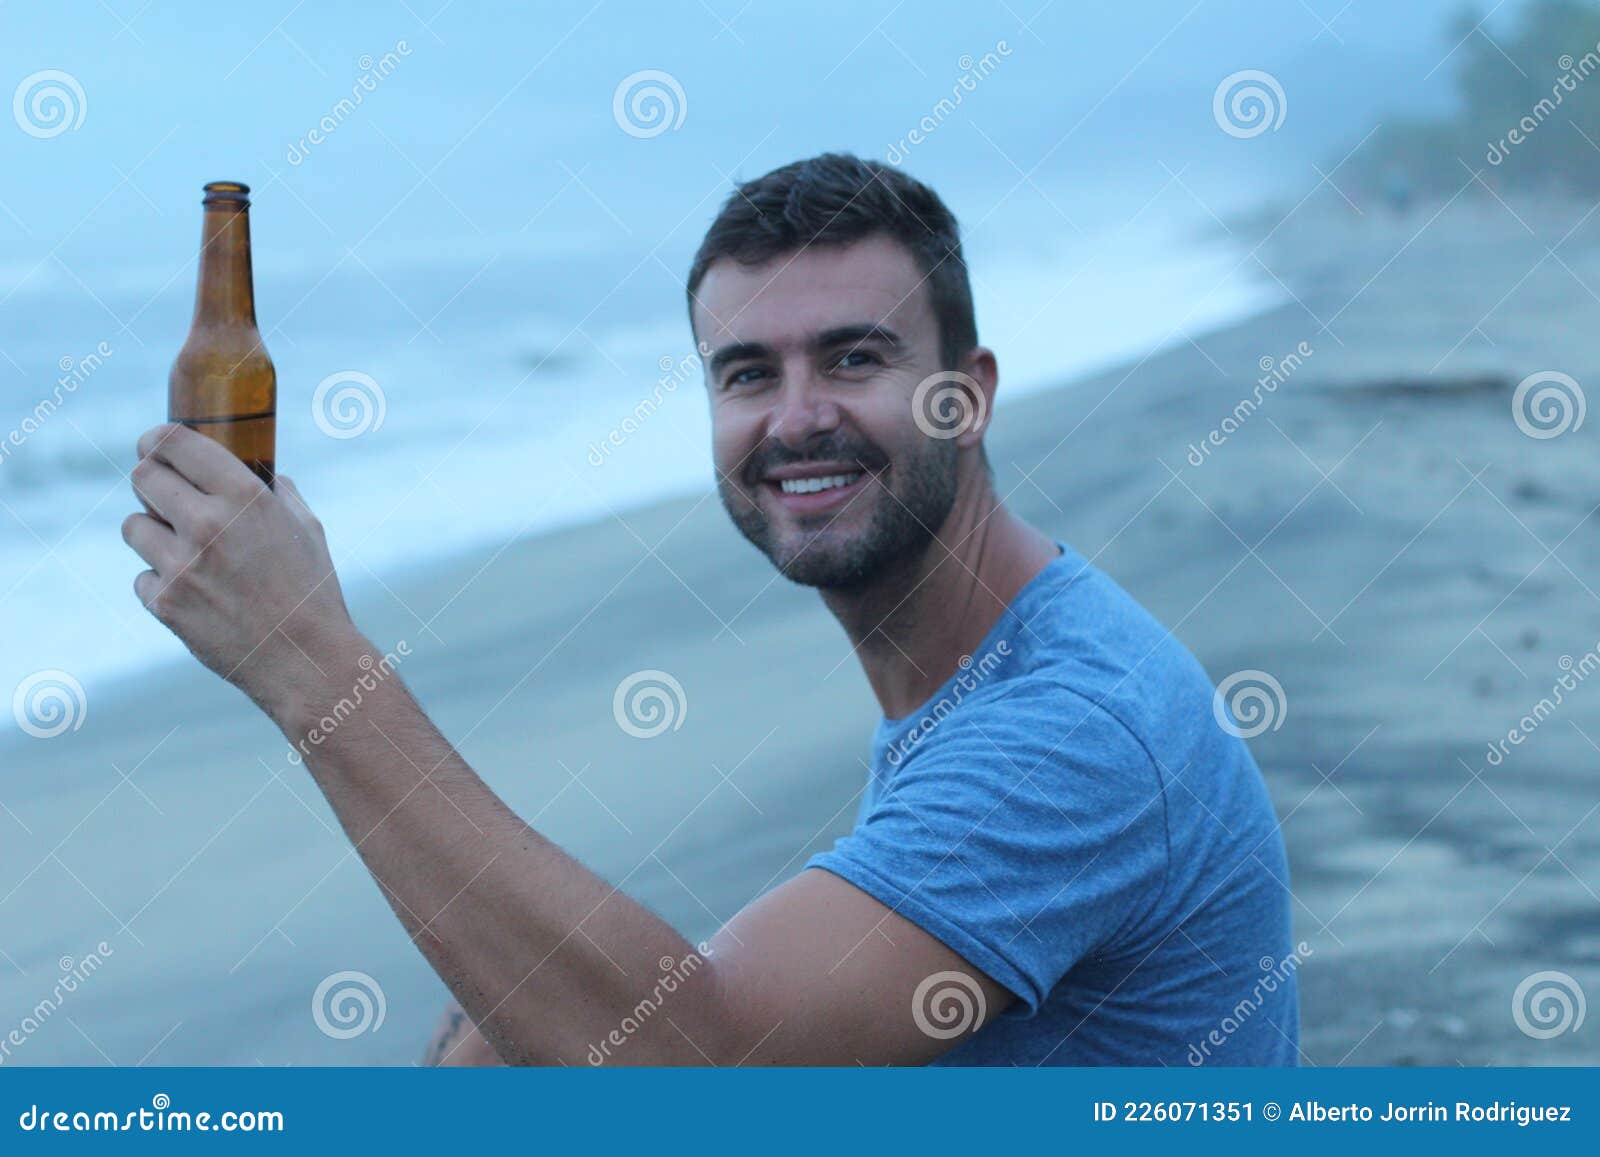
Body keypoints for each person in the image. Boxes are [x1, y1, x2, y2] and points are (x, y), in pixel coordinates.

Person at [122, 152, 1298, 1066]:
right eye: (747, 373)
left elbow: (704, 1066)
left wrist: (309, 660)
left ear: (966, 395)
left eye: (852, 358)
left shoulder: (1075, 727)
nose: (794, 419)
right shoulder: (982, 661)